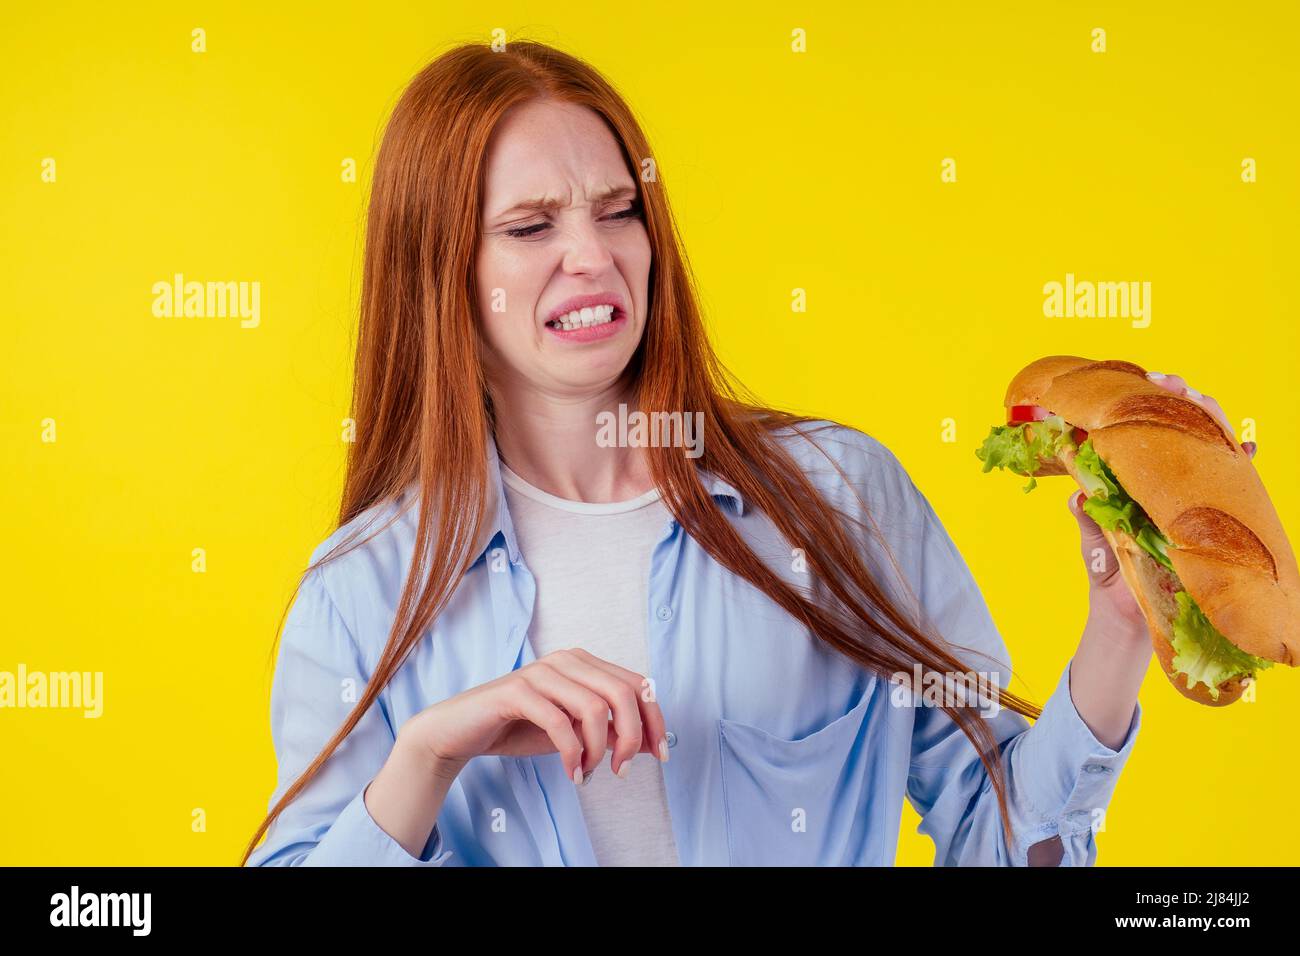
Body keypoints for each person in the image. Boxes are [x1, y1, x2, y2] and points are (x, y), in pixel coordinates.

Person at [241, 40, 1248, 867]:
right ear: (439, 269)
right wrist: (426, 754)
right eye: (530, 225)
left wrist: (1121, 626)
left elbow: (1006, 843)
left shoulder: (838, 496)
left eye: (618, 209)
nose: (591, 255)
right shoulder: (362, 590)